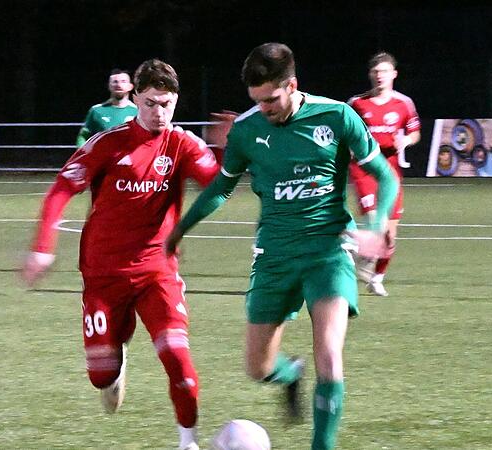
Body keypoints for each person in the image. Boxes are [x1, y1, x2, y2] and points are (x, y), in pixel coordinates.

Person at [166, 43, 399, 450]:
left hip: (328, 250)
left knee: (330, 356)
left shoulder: (336, 116)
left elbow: (385, 176)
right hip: (274, 256)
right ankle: (290, 374)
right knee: (258, 368)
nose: (265, 109)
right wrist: (177, 231)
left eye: (271, 99)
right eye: (257, 100)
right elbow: (220, 189)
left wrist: (376, 226)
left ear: (292, 85)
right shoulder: (247, 130)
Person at [22, 59, 219, 450]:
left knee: (178, 359)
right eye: (150, 103)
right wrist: (43, 248)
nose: (158, 112)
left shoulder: (182, 144)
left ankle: (188, 443)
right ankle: (117, 354)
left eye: (166, 103)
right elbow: (60, 190)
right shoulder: (108, 144)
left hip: (157, 272)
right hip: (104, 275)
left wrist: (226, 150)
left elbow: (218, 185)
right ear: (136, 99)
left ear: (176, 101)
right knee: (101, 375)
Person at [347, 51, 421, 296]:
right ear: (370, 74)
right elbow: (344, 130)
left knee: (389, 233)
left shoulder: (404, 104)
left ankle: (376, 277)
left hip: (390, 171)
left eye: (385, 71)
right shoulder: (357, 104)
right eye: (376, 72)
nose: (380, 76)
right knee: (373, 219)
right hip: (364, 169)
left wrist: (406, 140)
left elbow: (415, 132)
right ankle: (358, 252)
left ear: (394, 74)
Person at [76, 69, 138, 146]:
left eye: (123, 81)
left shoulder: (138, 111)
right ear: (109, 86)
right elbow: (82, 136)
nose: (118, 85)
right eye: (115, 82)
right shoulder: (96, 110)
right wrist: (83, 151)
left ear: (130, 86)